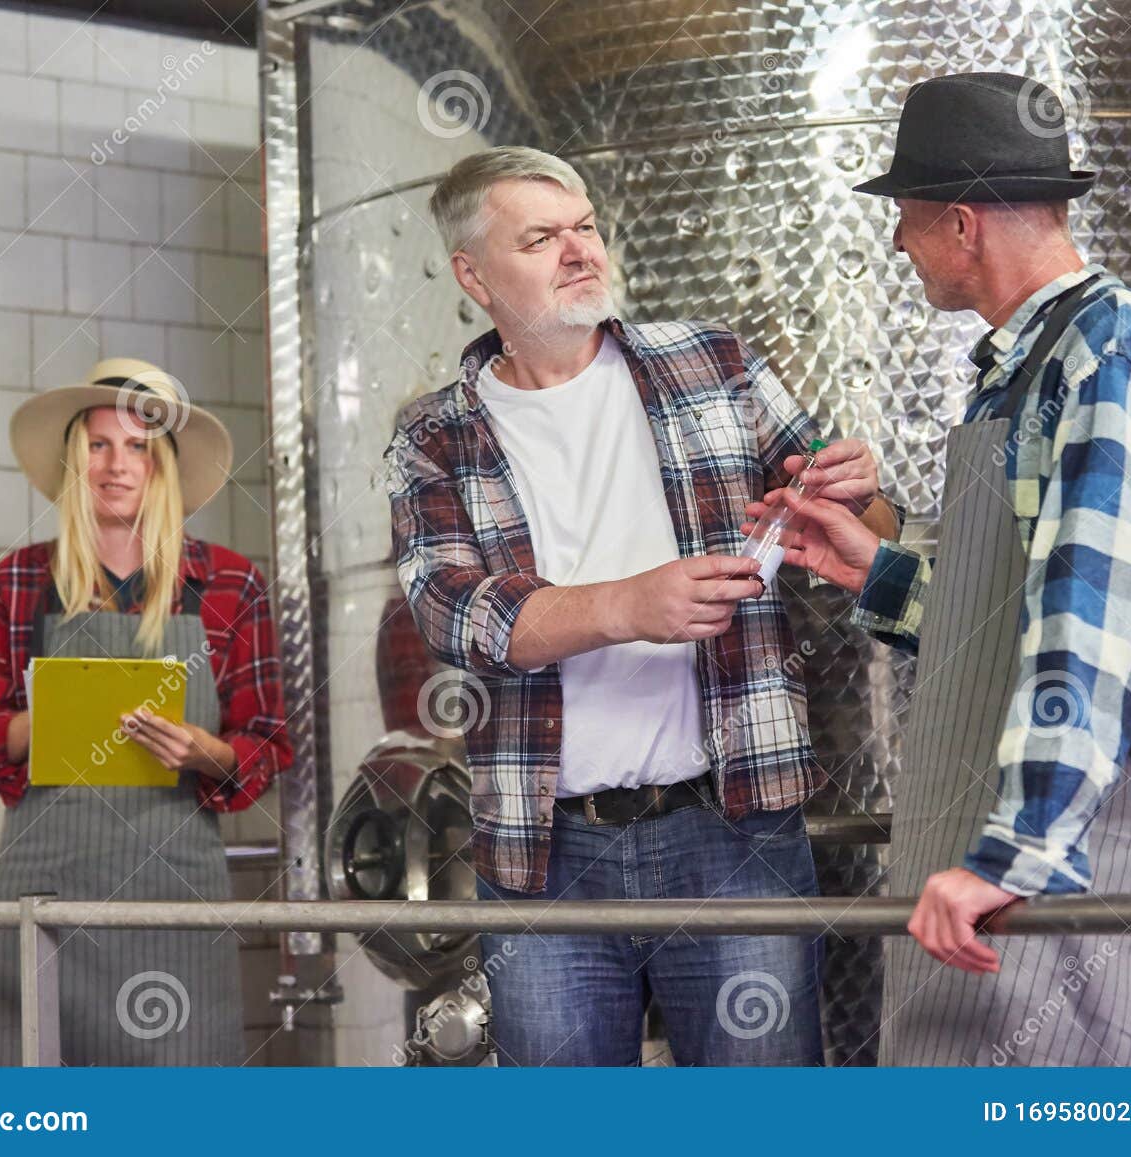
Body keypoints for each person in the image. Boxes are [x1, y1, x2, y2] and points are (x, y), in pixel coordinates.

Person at [384, 146, 900, 1066]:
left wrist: (861, 490)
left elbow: (865, 522)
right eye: (541, 238)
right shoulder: (435, 434)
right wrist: (628, 605)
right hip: (544, 856)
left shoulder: (714, 362)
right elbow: (452, 613)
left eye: (584, 226)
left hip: (735, 833)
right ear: (473, 275)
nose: (579, 251)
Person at [745, 73, 1131, 1065]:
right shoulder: (1019, 368)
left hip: (1045, 848)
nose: (896, 244)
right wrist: (873, 568)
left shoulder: (1111, 353)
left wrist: (1021, 853)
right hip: (973, 832)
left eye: (907, 219)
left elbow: (1091, 631)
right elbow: (1010, 621)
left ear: (961, 224)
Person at [0, 357, 293, 1065]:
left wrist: (204, 751)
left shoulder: (229, 585)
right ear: (75, 459)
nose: (116, 465)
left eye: (137, 446)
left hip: (173, 909)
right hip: (45, 910)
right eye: (98, 445)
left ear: (162, 462)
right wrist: (42, 724)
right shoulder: (16, 582)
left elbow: (267, 742)